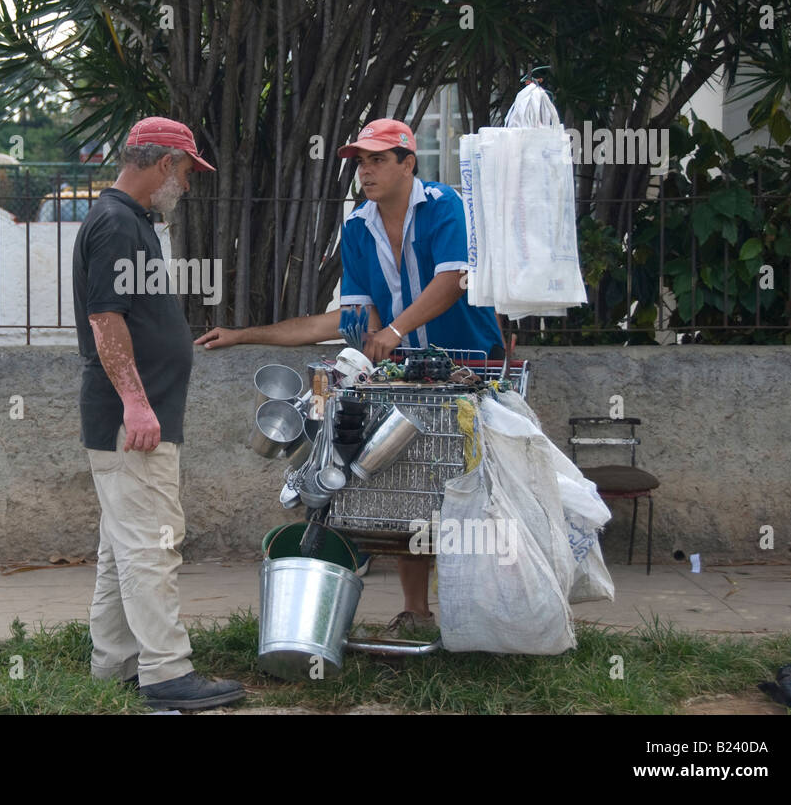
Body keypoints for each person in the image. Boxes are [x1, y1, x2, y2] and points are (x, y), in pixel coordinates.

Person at [196, 119, 504, 634]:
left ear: (409, 163)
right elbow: (349, 320)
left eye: (379, 159)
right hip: (405, 375)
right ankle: (417, 611)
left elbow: (453, 280)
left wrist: (397, 329)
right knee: (413, 482)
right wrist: (244, 334)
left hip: (468, 363)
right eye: (361, 161)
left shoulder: (444, 204)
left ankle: (488, 613)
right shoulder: (357, 226)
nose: (366, 170)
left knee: (475, 493)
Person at [72, 115, 246, 711]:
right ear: (163, 163)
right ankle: (167, 674)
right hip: (133, 422)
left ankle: (114, 664)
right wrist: (138, 403)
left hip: (130, 418)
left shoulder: (128, 221)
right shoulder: (119, 224)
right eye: (188, 172)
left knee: (122, 551)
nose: (189, 186)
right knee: (152, 545)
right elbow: (106, 319)